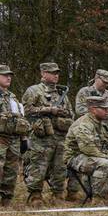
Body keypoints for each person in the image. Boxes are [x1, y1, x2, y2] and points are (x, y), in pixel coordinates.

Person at [22, 62, 74, 202]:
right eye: (52, 72)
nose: (56, 75)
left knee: (60, 167)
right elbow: (27, 111)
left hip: (60, 136)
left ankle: (57, 195)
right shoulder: (33, 91)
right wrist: (48, 110)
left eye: (57, 72)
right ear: (43, 73)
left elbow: (71, 113)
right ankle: (35, 196)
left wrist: (63, 113)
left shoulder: (62, 93)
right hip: (42, 137)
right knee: (38, 166)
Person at [0, 64, 30, 207]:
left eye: (10, 75)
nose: (8, 77)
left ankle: (6, 200)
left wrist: (24, 139)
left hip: (13, 139)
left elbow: (21, 118)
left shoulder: (13, 97)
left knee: (11, 171)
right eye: (5, 75)